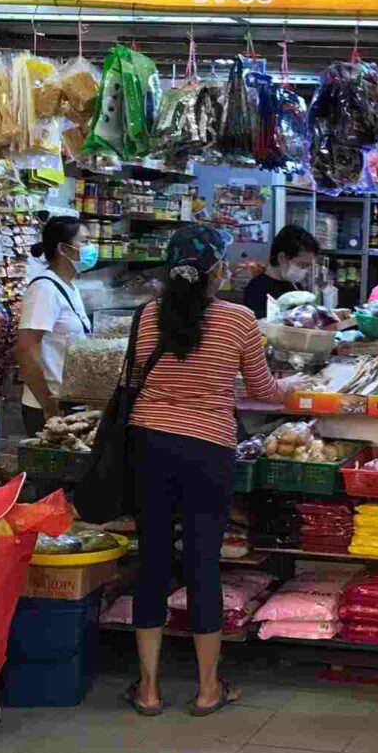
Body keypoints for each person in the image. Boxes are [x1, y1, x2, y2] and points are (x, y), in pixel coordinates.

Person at [126, 225, 280, 717]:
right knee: (201, 565)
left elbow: (131, 380)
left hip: (148, 445)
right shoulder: (237, 320)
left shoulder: (147, 315)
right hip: (207, 450)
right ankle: (207, 687)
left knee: (151, 561)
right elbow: (263, 388)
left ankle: (148, 689)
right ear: (216, 271)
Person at [17, 215, 95, 433]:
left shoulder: (69, 286)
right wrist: (48, 405)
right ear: (63, 249)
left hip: (67, 400)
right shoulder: (45, 289)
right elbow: (25, 349)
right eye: (85, 241)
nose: (91, 248)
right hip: (47, 406)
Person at [241, 224, 322, 318]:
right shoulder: (257, 288)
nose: (305, 270)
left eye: (308, 266)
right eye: (301, 264)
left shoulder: (296, 287)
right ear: (282, 258)